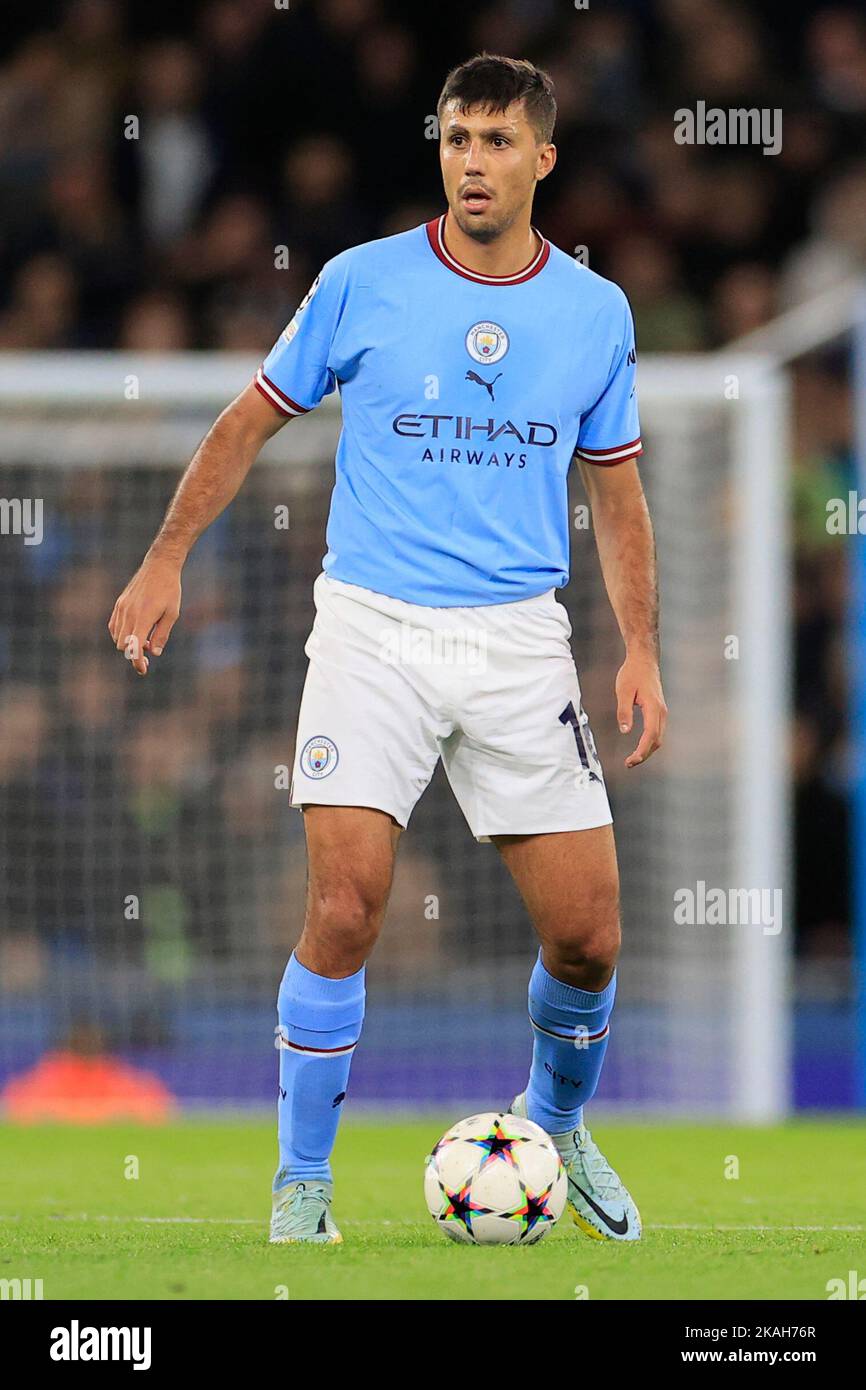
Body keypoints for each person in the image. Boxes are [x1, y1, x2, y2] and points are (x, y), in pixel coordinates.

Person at [108, 54, 667, 1246]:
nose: (472, 160)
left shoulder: (593, 311)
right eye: (457, 138)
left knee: (587, 936)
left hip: (521, 639)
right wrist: (164, 558)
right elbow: (248, 418)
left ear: (541, 159)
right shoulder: (362, 282)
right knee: (349, 904)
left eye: (497, 142)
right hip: (371, 627)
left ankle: (553, 1120)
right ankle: (300, 1181)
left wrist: (640, 650)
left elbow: (615, 493)